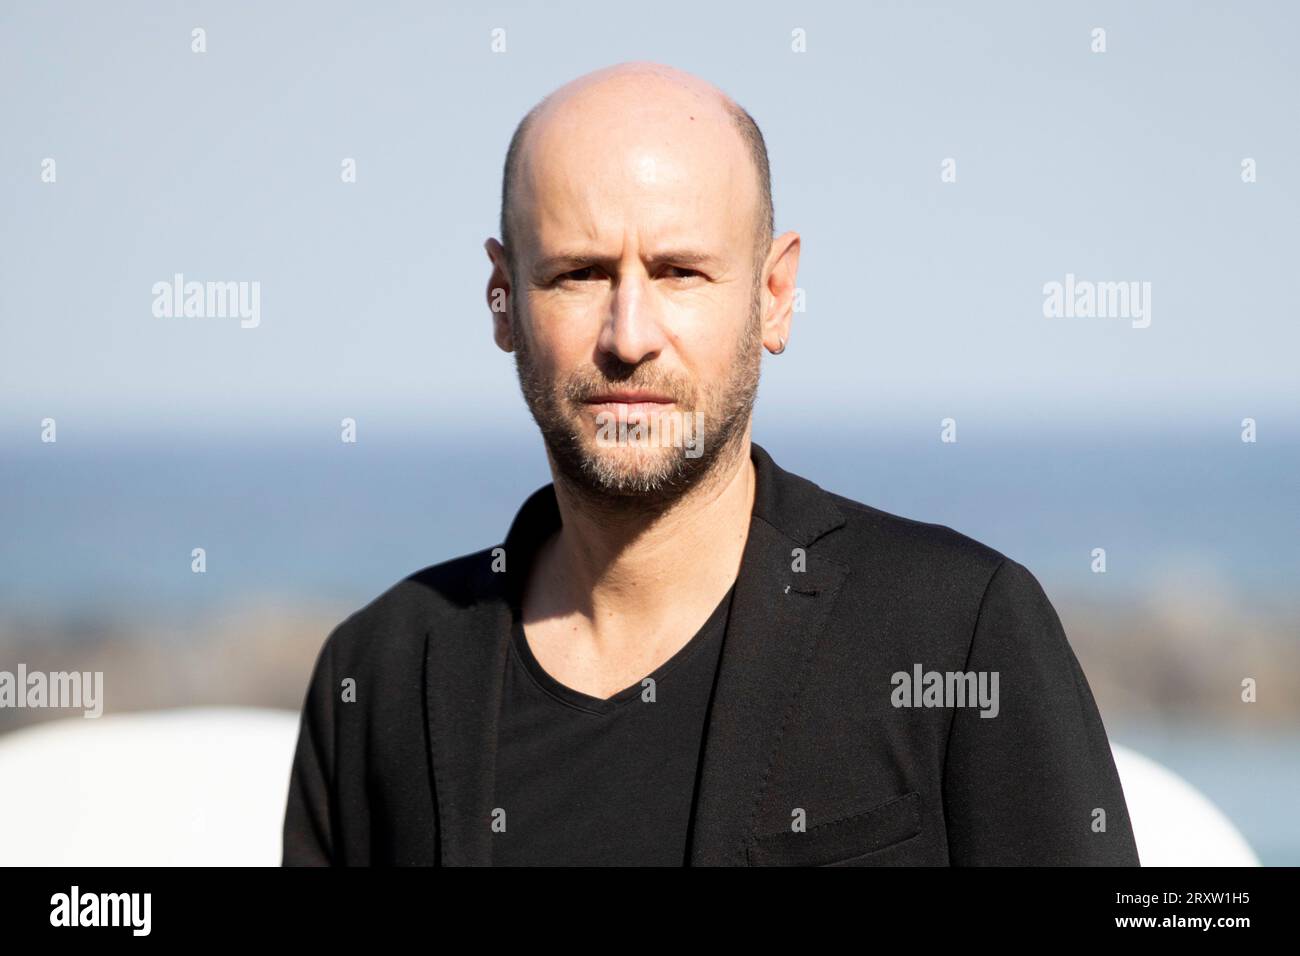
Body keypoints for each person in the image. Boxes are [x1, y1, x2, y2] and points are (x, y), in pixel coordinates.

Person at [282, 60, 1139, 866]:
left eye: (680, 272)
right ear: (503, 300)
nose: (629, 336)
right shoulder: (376, 675)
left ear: (773, 296)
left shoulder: (956, 633)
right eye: (579, 274)